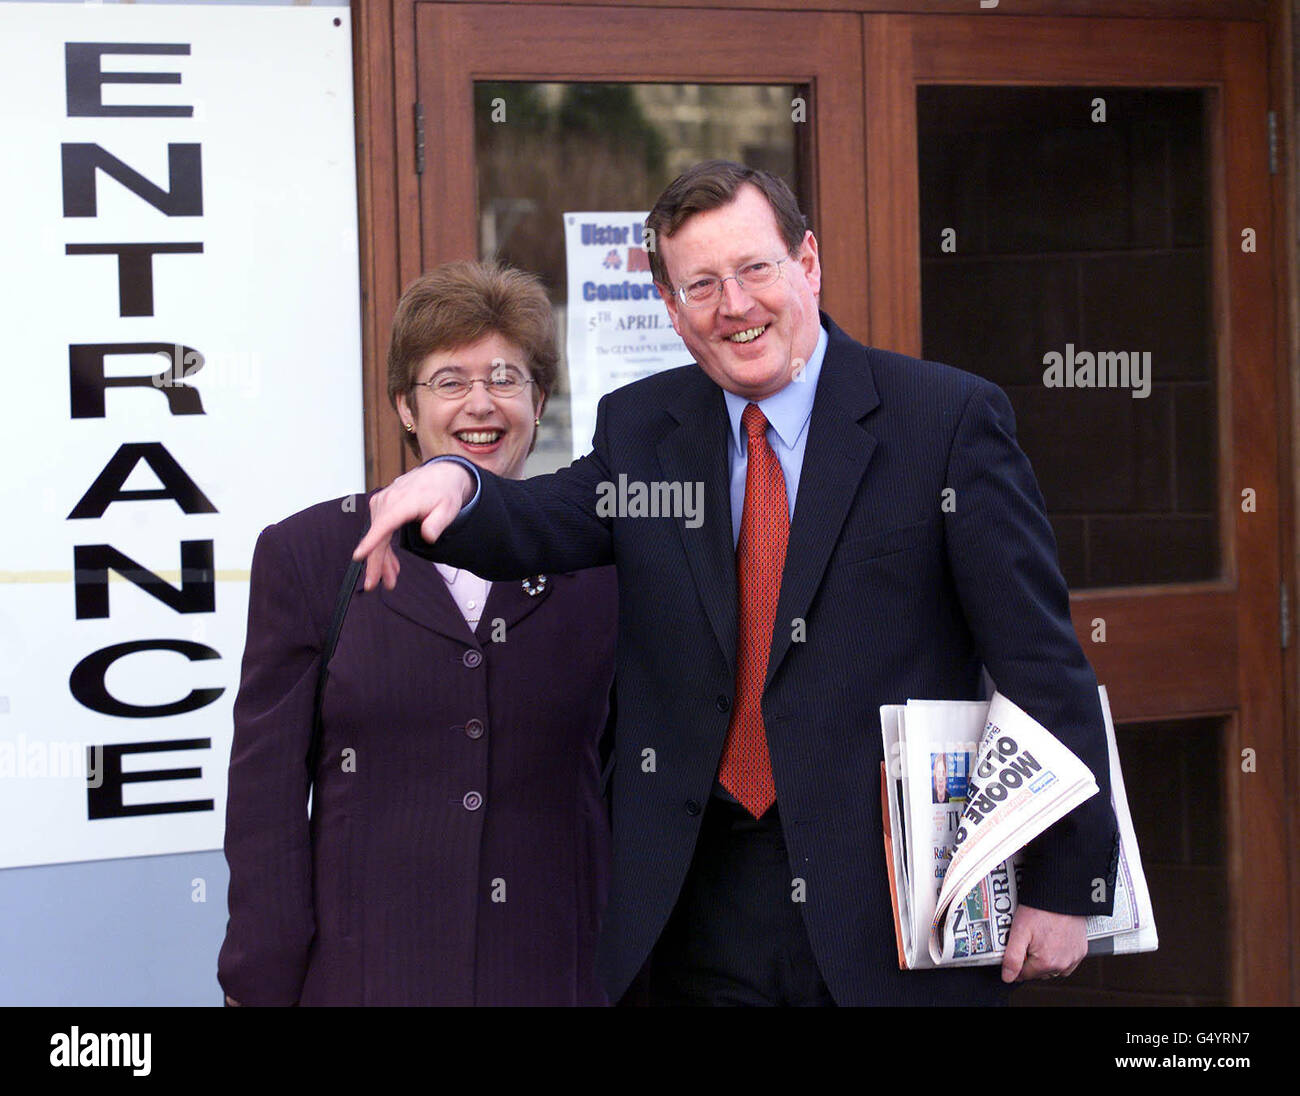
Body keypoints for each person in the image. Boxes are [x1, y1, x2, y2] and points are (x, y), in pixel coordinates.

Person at [353, 162, 1120, 1006]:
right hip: (700, 899)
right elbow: (544, 519)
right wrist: (460, 486)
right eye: (703, 285)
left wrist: (1067, 881)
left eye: (756, 269)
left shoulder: (944, 421)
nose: (737, 305)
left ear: (808, 263)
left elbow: (1041, 663)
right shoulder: (644, 427)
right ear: (673, 310)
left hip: (894, 904)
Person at [218, 261, 617, 1006]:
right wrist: (260, 980)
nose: (481, 404)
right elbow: (265, 800)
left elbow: (632, 783)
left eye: (506, 378)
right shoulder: (308, 555)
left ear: (540, 400)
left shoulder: (602, 563)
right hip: (365, 977)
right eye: (449, 380)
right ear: (405, 406)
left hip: (555, 975)